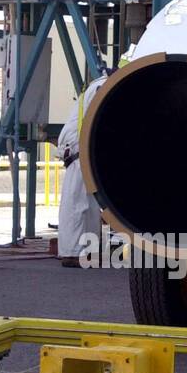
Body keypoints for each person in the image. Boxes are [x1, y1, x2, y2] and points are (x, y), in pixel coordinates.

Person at [56, 70, 109, 267]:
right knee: (78, 204)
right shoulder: (101, 88)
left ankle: (86, 252)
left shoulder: (100, 86)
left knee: (89, 205)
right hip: (79, 147)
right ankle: (73, 253)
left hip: (84, 147)